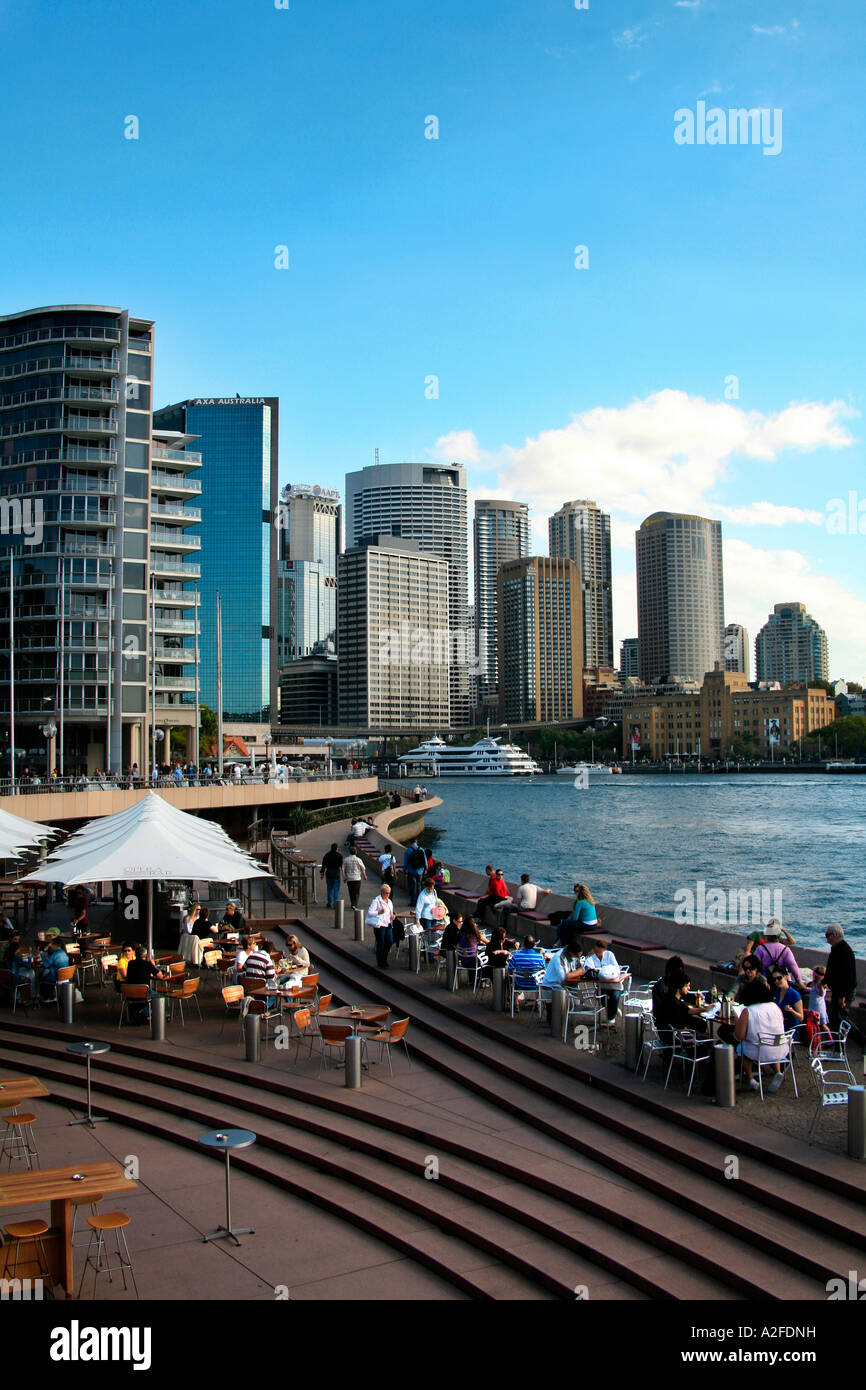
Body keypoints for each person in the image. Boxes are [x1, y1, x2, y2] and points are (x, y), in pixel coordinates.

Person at [733, 977, 788, 1091]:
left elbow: (739, 1036)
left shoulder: (748, 1011)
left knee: (741, 1048)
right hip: (780, 1049)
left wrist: (737, 1021)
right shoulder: (775, 1007)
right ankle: (777, 1072)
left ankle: (751, 1079)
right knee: (771, 1042)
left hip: (759, 1051)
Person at [823, 923, 858, 1036]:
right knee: (835, 1019)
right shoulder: (836, 949)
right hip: (838, 989)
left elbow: (848, 976)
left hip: (844, 991)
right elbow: (832, 971)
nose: (826, 937)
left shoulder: (844, 951)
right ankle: (838, 1047)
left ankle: (862, 1041)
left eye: (827, 934)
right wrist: (823, 982)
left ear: (834, 935)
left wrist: (842, 996)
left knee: (841, 1018)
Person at [583, 937, 627, 1020]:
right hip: (601, 985)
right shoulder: (592, 956)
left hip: (614, 984)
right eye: (596, 951)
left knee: (614, 996)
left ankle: (611, 1018)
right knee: (601, 997)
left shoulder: (609, 954)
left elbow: (616, 967)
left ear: (604, 950)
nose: (597, 953)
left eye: (599, 952)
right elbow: (588, 968)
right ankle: (612, 1010)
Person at [753, 921, 803, 990]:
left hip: (766, 982)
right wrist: (799, 982)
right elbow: (792, 965)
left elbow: (754, 966)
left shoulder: (760, 949)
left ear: (766, 936)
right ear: (779, 936)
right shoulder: (785, 949)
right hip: (783, 982)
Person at [124, 946, 165, 1023]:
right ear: (145, 955)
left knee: (147, 995)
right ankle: (147, 1013)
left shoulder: (130, 963)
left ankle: (142, 1012)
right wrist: (153, 965)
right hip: (143, 992)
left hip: (130, 993)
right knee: (157, 996)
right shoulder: (147, 964)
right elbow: (160, 976)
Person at [769, 966, 804, 1041]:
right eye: (774, 979)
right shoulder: (778, 991)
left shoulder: (794, 994)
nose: (776, 981)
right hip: (780, 1027)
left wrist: (792, 1011)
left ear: (786, 977)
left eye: (779, 978)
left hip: (792, 1030)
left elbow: (801, 1017)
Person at [366, 883, 396, 968]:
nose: (388, 895)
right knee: (381, 942)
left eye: (389, 893)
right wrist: (379, 912)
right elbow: (370, 912)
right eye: (387, 893)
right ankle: (380, 961)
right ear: (382, 892)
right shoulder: (376, 901)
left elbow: (391, 911)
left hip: (388, 924)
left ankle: (385, 958)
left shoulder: (389, 901)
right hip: (380, 925)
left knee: (389, 941)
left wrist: (393, 916)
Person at [403, 839, 427, 908]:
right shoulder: (421, 849)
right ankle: (420, 902)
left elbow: (406, 861)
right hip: (420, 871)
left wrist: (404, 869)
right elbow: (425, 861)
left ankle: (413, 902)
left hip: (412, 871)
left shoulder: (408, 850)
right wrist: (425, 868)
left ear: (410, 843)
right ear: (416, 842)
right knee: (419, 885)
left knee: (413, 886)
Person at [320, 843, 344, 908]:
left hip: (329, 873)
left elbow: (323, 865)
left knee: (329, 888)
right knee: (336, 889)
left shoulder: (327, 855)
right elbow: (341, 866)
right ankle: (335, 904)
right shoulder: (340, 856)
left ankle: (329, 902)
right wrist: (343, 875)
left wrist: (322, 874)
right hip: (336, 874)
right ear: (337, 848)